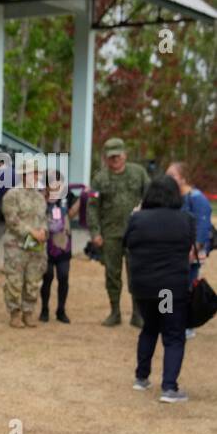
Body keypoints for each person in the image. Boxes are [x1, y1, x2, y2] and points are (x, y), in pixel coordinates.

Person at [125, 175, 195, 402]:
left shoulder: (137, 219)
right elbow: (189, 247)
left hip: (143, 288)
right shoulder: (185, 220)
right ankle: (169, 387)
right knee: (173, 335)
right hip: (168, 289)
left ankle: (141, 377)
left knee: (149, 328)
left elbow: (127, 242)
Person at [89, 137, 148, 327]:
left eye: (118, 155)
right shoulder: (99, 178)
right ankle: (115, 312)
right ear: (106, 158)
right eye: (111, 157)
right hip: (110, 234)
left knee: (137, 273)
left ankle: (137, 314)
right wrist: (95, 232)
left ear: (125, 155)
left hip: (136, 234)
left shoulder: (139, 173)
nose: (115, 159)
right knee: (112, 274)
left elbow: (152, 197)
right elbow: (92, 207)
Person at [1, 157, 48, 328]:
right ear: (24, 174)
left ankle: (28, 312)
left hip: (36, 247)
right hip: (16, 246)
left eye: (38, 173)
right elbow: (12, 220)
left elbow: (43, 218)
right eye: (34, 173)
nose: (37, 176)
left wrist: (43, 231)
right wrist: (32, 232)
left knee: (33, 280)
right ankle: (15, 313)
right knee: (14, 281)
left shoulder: (39, 197)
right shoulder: (12, 195)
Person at [168, 161, 211, 339]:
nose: (168, 179)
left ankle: (186, 325)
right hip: (173, 254)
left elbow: (202, 228)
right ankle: (169, 322)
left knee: (186, 288)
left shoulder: (197, 198)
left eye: (172, 176)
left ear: (183, 178)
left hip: (190, 255)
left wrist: (194, 251)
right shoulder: (172, 197)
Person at [40, 170, 75, 323]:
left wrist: (85, 197)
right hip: (45, 244)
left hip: (63, 244)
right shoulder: (40, 198)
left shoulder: (68, 197)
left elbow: (73, 213)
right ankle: (44, 309)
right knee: (47, 276)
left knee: (63, 276)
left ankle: (61, 310)